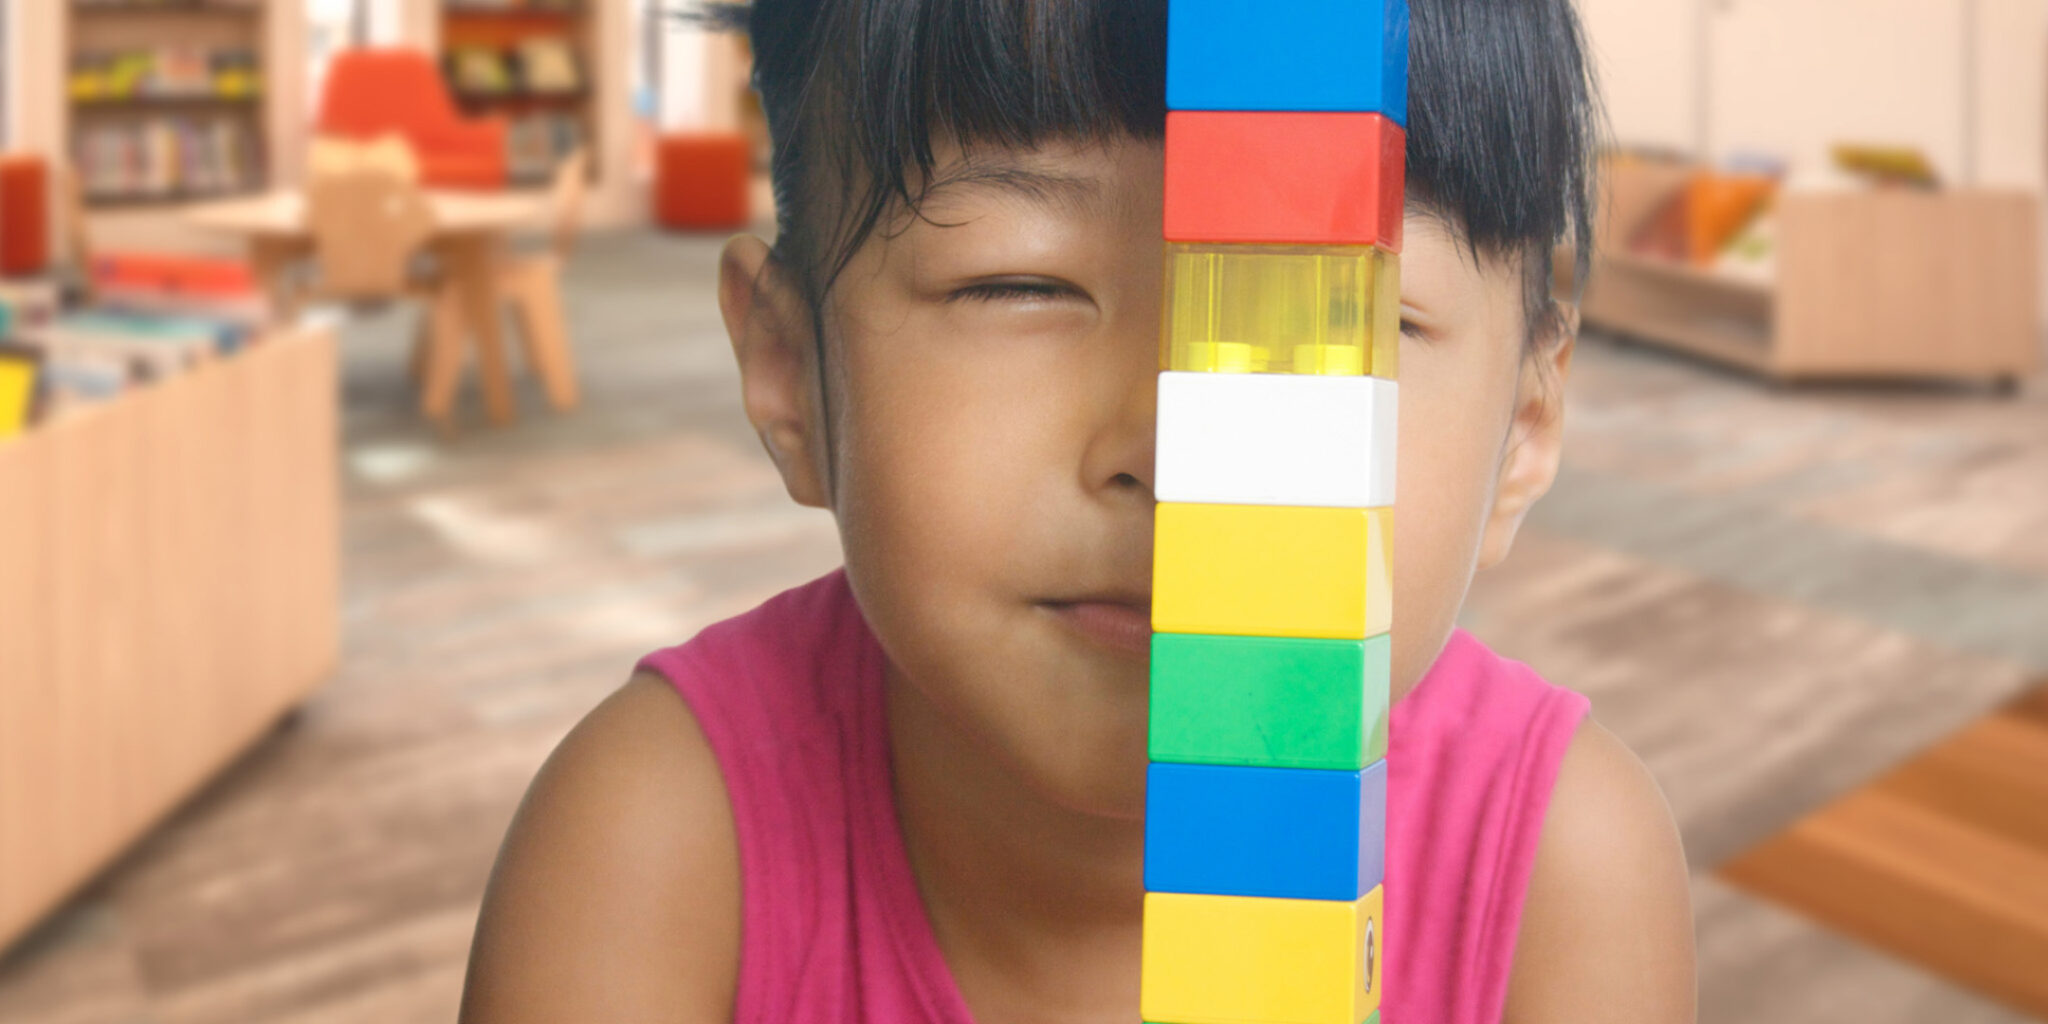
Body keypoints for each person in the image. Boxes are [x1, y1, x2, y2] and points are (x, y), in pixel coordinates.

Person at [459, 0, 1697, 1020]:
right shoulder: (649, 849)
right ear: (791, 377)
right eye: (1016, 281)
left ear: (1525, 423)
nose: (1177, 448)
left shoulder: (1562, 874)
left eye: (1330, 313)